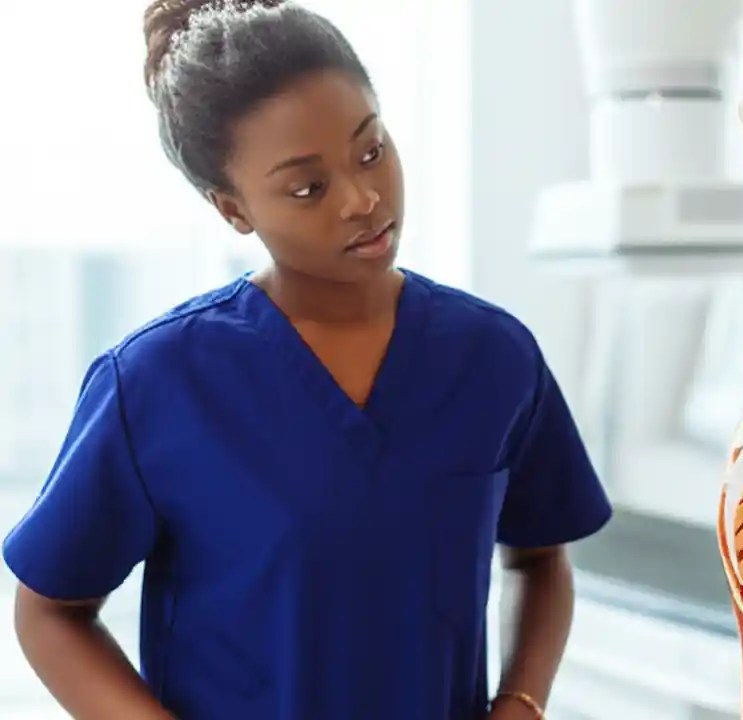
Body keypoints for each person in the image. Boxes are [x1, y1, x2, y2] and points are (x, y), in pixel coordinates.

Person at [1, 1, 612, 717]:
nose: (363, 198)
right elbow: (49, 611)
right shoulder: (155, 384)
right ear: (233, 209)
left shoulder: (493, 357)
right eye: (307, 188)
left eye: (371, 149)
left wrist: (521, 700)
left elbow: (541, 558)